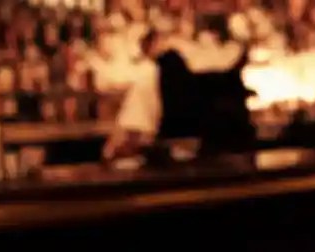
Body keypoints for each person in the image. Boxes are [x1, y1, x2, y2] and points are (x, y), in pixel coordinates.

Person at [103, 28, 254, 161]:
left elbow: (125, 142)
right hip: (237, 177)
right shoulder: (230, 71)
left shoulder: (154, 75)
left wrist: (110, 154)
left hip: (173, 179)